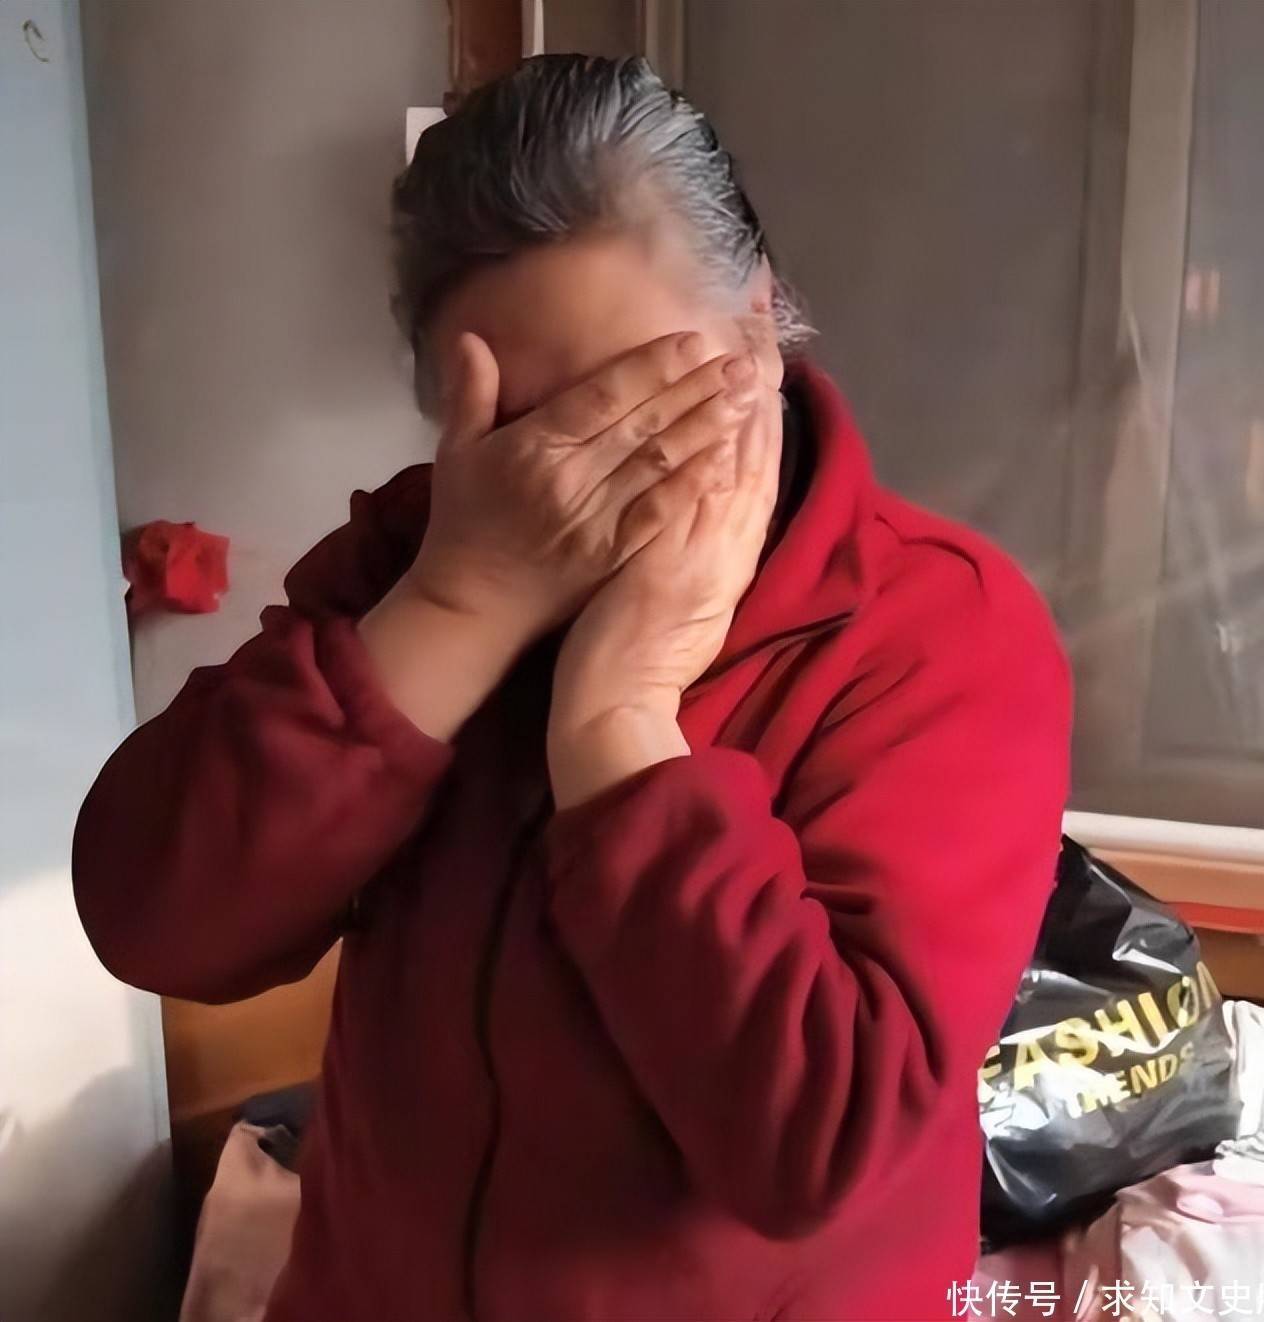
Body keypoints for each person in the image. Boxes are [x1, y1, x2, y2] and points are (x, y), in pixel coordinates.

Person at [73, 54, 1072, 1322]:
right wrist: (457, 605)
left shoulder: (931, 626)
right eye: (534, 432)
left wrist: (618, 729)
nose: (584, 486)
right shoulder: (419, 557)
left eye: (650, 401)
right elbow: (156, 918)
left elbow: (817, 1141)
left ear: (759, 324)